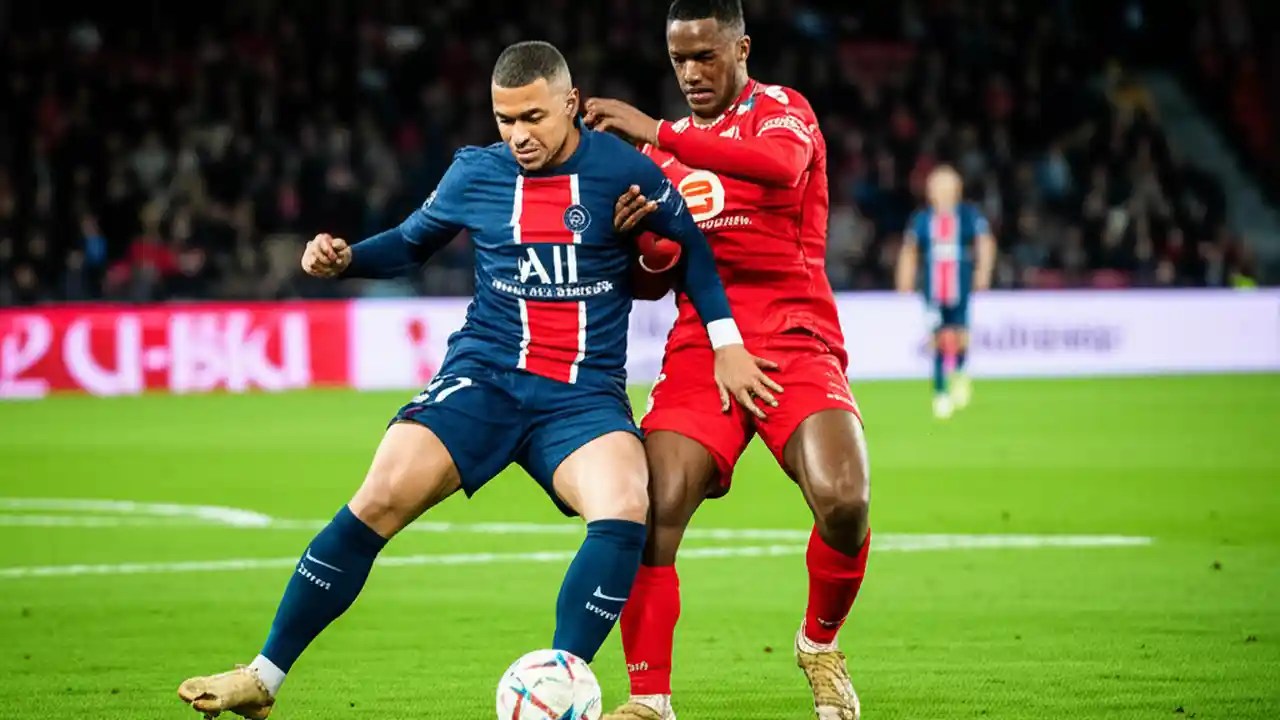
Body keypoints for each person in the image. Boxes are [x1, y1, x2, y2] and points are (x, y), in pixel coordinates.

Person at [175, 40, 777, 719]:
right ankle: (263, 675)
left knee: (625, 503)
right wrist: (345, 260)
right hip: (485, 376)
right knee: (380, 494)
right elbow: (410, 242)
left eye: (534, 118)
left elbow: (691, 249)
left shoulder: (623, 171)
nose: (518, 136)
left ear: (572, 106)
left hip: (581, 396)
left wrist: (725, 341)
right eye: (504, 120)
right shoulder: (475, 174)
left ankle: (560, 686)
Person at [583, 1, 871, 718]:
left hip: (794, 336)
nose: (691, 73)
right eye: (679, 59)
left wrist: (659, 132)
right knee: (653, 507)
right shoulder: (659, 159)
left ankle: (819, 645)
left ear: (741, 48)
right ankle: (650, 699)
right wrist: (639, 244)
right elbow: (654, 279)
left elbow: (779, 167)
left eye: (705, 55)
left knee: (844, 499)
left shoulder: (782, 112)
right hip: (702, 346)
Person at [896, 165, 996, 419]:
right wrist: (904, 277)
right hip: (932, 286)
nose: (940, 192)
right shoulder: (922, 218)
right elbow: (910, 249)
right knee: (937, 337)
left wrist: (983, 271)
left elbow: (984, 241)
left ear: (956, 190)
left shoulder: (967, 215)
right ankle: (940, 392)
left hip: (959, 282)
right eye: (936, 187)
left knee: (961, 333)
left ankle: (960, 374)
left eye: (946, 187)